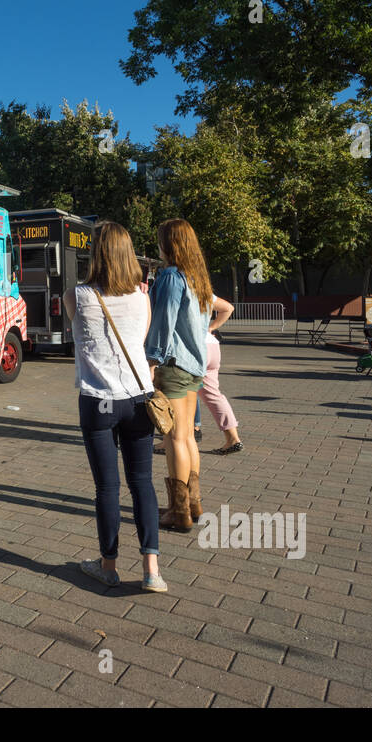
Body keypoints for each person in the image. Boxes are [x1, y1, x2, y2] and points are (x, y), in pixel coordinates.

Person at [63, 221, 166, 593]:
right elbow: (139, 338)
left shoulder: (76, 296)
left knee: (106, 488)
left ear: (96, 253)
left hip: (98, 401)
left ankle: (108, 566)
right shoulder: (143, 297)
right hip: (139, 400)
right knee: (143, 484)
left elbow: (76, 325)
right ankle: (152, 569)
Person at [145, 219, 212, 533]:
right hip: (194, 366)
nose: (158, 246)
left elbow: (163, 321)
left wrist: (151, 361)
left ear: (169, 244)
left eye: (160, 241)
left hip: (173, 365)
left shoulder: (171, 276)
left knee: (173, 438)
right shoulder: (198, 278)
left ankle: (178, 511)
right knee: (186, 436)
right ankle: (193, 504)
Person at [202, 295, 243, 455]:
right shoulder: (202, 288)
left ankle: (170, 440)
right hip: (211, 346)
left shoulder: (175, 283)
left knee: (179, 396)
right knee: (214, 395)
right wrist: (211, 328)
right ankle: (233, 438)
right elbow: (228, 308)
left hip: (193, 347)